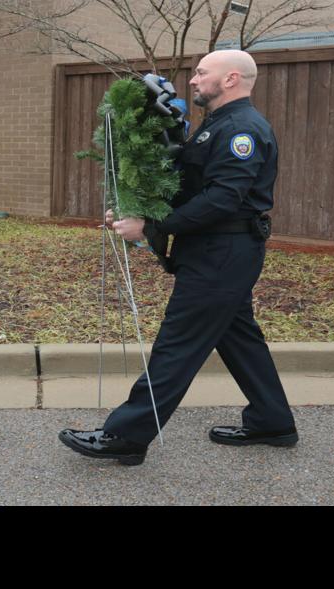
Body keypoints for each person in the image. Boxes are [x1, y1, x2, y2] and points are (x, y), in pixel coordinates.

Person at [61, 50, 295, 466]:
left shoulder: (242, 129)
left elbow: (223, 199)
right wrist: (141, 210)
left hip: (222, 253)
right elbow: (192, 188)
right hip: (219, 252)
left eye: (202, 73)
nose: (192, 80)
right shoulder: (217, 126)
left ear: (231, 80)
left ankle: (125, 435)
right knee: (239, 339)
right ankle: (272, 421)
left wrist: (153, 227)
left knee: (178, 345)